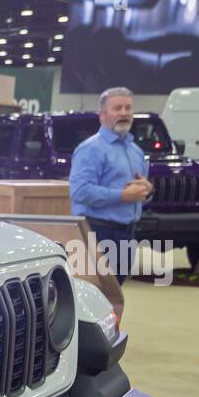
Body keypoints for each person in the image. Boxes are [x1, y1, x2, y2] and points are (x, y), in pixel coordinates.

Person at [68, 87, 153, 284]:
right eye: (117, 108)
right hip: (96, 232)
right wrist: (122, 196)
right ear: (102, 115)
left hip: (127, 234)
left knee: (116, 297)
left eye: (128, 108)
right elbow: (79, 191)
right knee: (93, 296)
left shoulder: (136, 152)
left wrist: (146, 190)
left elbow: (137, 192)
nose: (124, 113)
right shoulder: (91, 149)